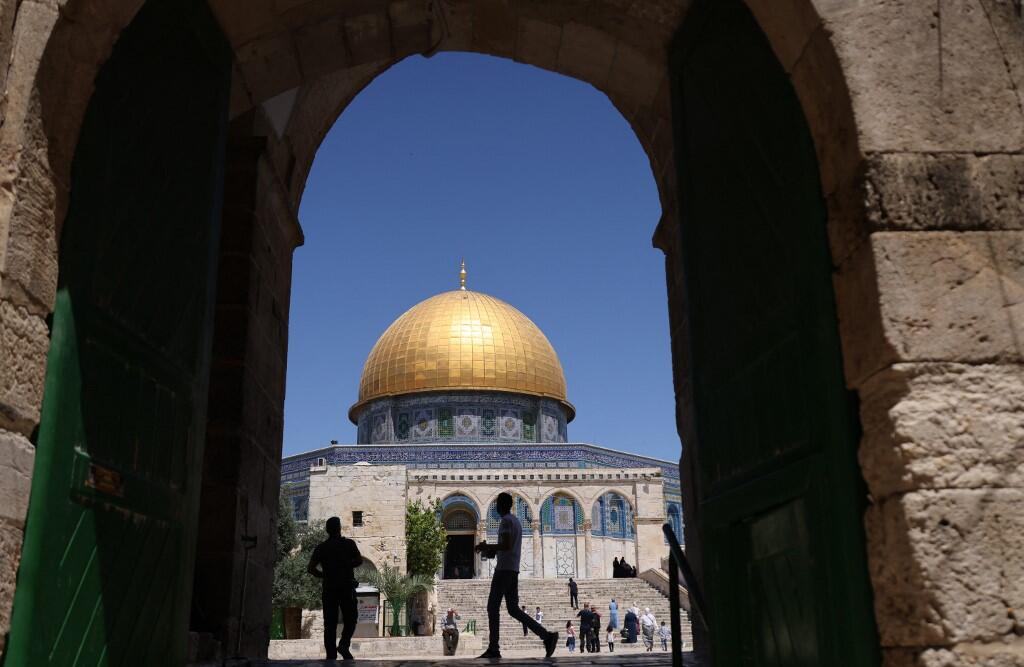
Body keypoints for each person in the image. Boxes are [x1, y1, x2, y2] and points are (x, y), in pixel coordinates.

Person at [475, 492, 558, 658]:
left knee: (492, 607)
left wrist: (487, 547)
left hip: (504, 570)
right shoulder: (516, 522)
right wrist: (493, 551)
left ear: (501, 505)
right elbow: (509, 547)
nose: (496, 506)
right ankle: (547, 636)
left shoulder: (505, 521)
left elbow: (505, 545)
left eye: (497, 503)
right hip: (513, 569)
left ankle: (494, 648)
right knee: (513, 609)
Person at [307, 516, 363, 661]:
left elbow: (311, 568)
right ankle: (344, 645)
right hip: (345, 588)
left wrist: (325, 575)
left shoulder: (321, 548)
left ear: (327, 530)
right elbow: (359, 560)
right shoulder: (349, 544)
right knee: (351, 619)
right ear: (339, 528)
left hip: (330, 589)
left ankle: (331, 654)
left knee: (329, 624)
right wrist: (347, 565)